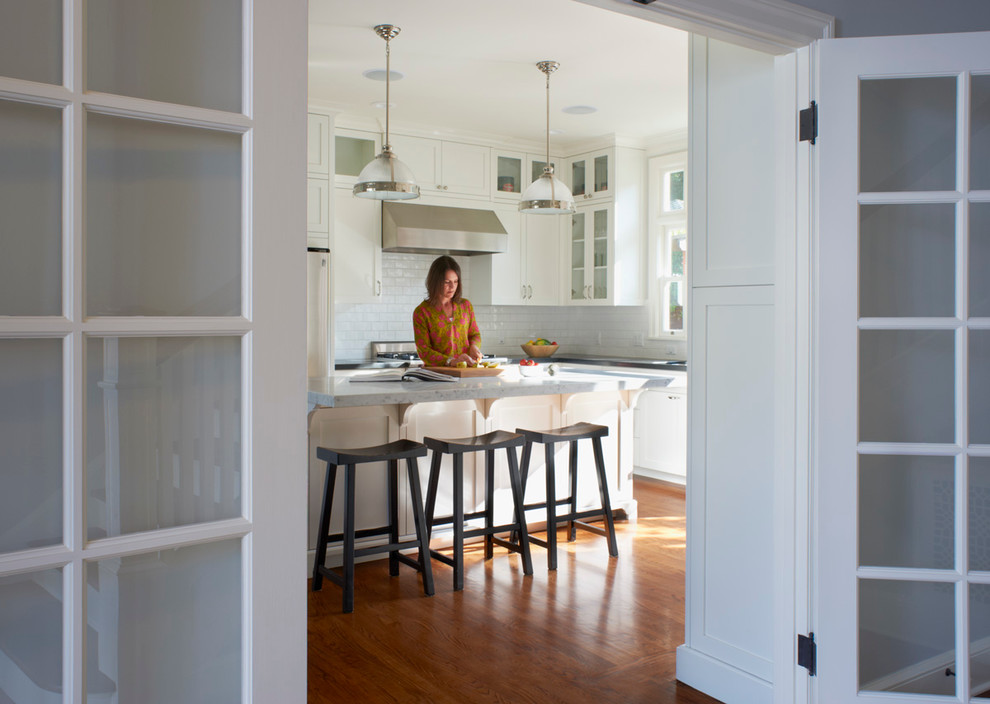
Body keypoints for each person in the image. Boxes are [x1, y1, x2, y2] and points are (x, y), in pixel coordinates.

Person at [413, 255, 482, 367]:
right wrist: (450, 361)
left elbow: (475, 334)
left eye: (455, 281)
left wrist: (474, 347)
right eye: (447, 282)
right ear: (435, 282)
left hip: (464, 372)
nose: (452, 287)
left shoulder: (466, 306)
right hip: (437, 375)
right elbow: (424, 351)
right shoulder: (422, 312)